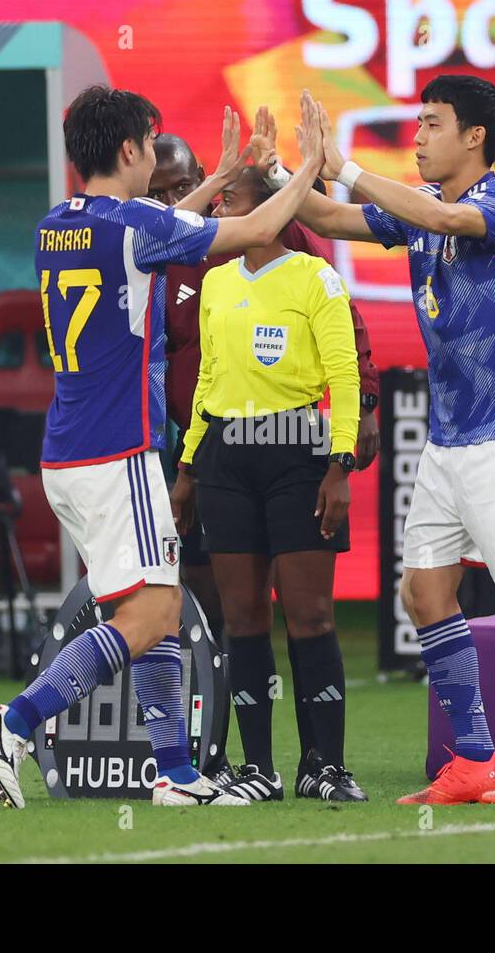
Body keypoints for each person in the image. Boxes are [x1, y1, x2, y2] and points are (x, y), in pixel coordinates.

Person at [0, 85, 326, 809]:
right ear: (131, 150)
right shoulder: (136, 226)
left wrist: (220, 178)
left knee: (154, 605)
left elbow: (151, 229)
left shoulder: (57, 223)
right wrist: (309, 165)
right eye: (149, 146)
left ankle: (175, 774)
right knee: (151, 615)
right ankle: (17, 719)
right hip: (118, 453)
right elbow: (254, 231)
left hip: (67, 455)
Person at [278, 79, 495, 805]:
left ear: (475, 137)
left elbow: (438, 215)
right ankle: (475, 759)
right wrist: (287, 169)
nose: (417, 136)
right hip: (447, 442)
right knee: (423, 591)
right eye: (417, 122)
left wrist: (345, 164)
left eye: (432, 124)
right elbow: (326, 217)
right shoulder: (418, 213)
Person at [150, 132, 382, 787]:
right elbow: (207, 382)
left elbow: (341, 361)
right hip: (223, 459)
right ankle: (255, 768)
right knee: (239, 616)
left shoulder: (315, 275)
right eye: (219, 204)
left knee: (309, 613)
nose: (214, 213)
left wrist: (342, 455)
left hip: (297, 455)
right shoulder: (211, 278)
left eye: (228, 200)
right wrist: (190, 469)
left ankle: (327, 764)